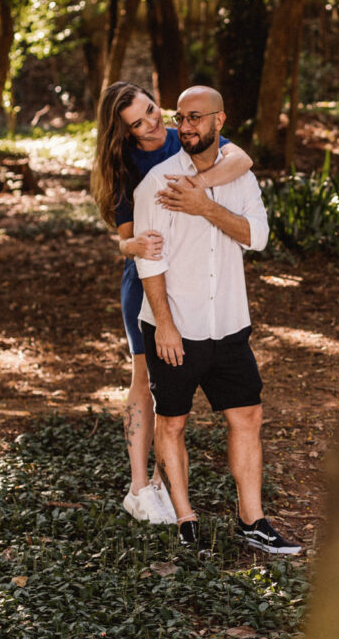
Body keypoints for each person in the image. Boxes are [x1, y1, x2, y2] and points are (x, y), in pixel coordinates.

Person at [132, 85, 301, 554]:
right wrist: (164, 324)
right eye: (180, 118)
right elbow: (150, 261)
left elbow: (258, 237)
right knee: (173, 423)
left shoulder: (239, 177)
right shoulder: (158, 183)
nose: (186, 126)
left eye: (196, 118)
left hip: (228, 322)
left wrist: (206, 206)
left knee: (247, 415)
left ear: (219, 121)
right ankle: (186, 522)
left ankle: (252, 519)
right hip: (175, 327)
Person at [90, 80, 254, 527]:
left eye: (150, 110)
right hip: (145, 279)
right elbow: (124, 244)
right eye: (136, 124)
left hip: (193, 280)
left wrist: (195, 187)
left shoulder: (187, 133)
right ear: (123, 132)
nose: (150, 125)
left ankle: (164, 483)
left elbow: (240, 158)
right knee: (146, 376)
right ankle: (139, 487)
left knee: (175, 386)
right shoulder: (127, 164)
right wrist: (135, 244)